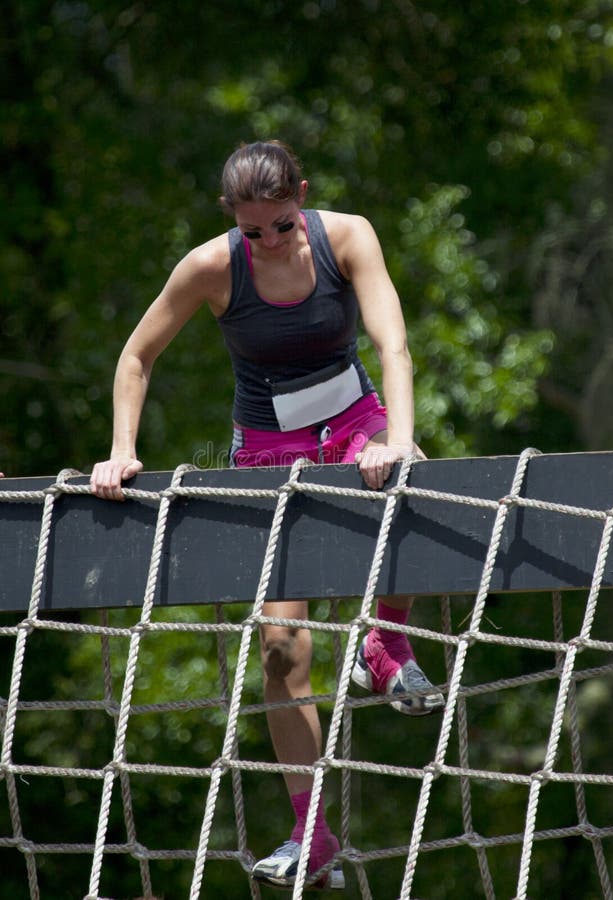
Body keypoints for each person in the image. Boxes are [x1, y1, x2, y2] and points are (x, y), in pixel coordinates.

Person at [90, 140, 444, 890]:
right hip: (269, 453)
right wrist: (121, 451)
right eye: (253, 231)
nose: (272, 241)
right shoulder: (210, 267)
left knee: (409, 474)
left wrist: (396, 438)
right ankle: (312, 836)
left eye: (282, 224)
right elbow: (135, 357)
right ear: (231, 219)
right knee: (281, 651)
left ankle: (385, 642)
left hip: (356, 423)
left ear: (302, 197)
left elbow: (393, 344)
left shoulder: (346, 236)